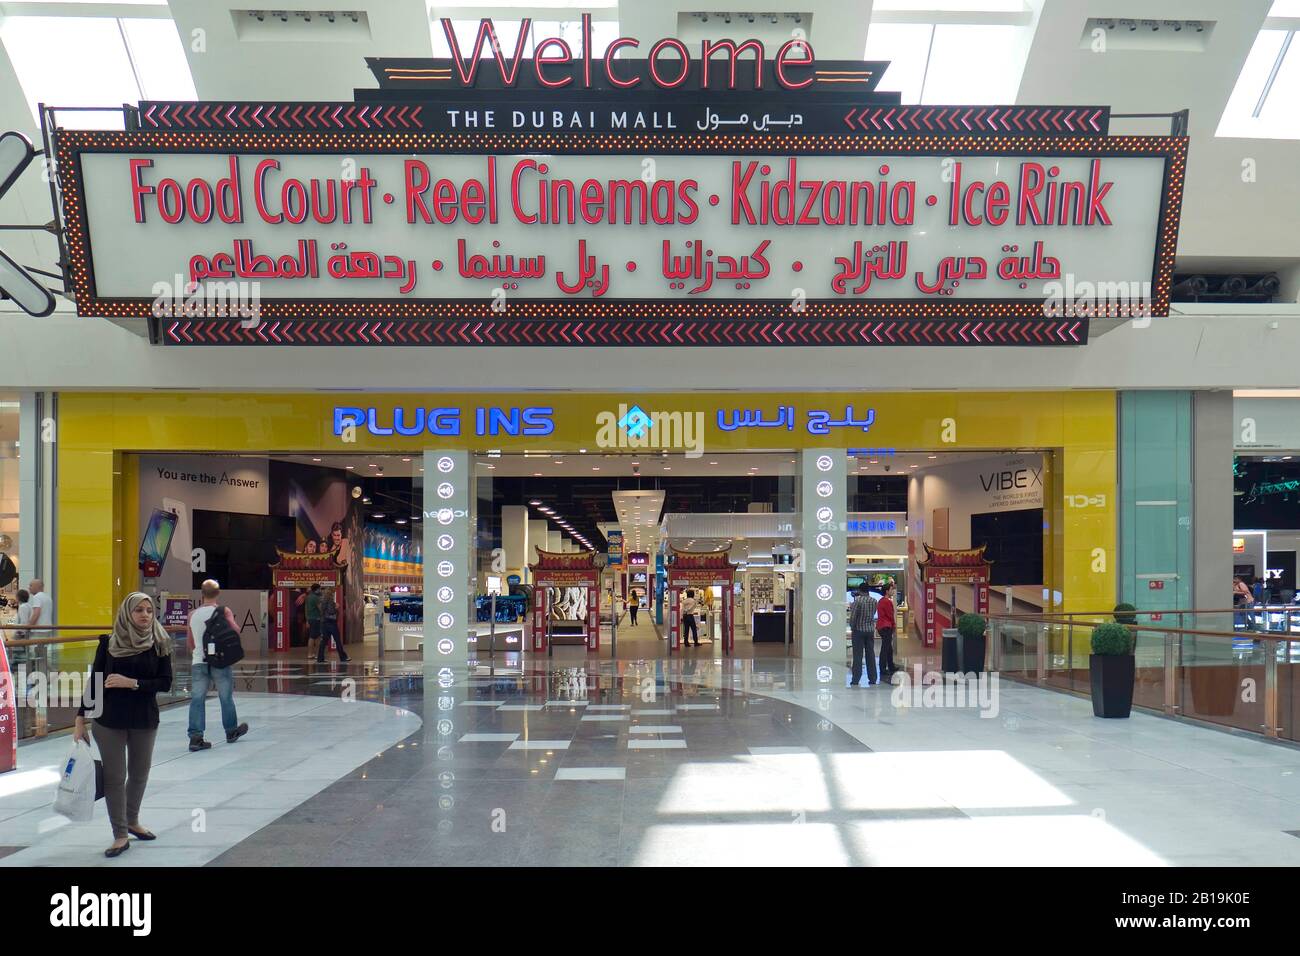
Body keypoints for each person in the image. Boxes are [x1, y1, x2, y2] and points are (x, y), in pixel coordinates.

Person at [74, 592, 173, 858]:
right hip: (109, 719)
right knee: (114, 778)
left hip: (144, 717)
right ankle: (119, 834)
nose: (144, 615)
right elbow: (95, 681)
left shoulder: (159, 643)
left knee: (140, 773)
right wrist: (80, 719)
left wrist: (133, 683)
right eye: (138, 610)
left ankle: (132, 820)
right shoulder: (108, 643)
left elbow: (166, 682)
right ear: (127, 613)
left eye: (149, 610)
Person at [186, 579, 249, 751]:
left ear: (202, 594)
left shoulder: (192, 615)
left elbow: (190, 642)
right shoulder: (223, 611)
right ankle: (231, 731)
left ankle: (196, 738)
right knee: (225, 697)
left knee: (197, 699)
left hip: (199, 661)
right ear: (218, 593)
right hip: (220, 661)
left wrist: (198, 652)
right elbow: (236, 630)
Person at [848, 583, 878, 687]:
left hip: (858, 631)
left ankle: (856, 679)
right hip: (870, 630)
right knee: (870, 654)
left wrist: (852, 627)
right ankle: (873, 678)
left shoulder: (858, 601)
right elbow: (873, 613)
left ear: (860, 591)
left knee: (858, 656)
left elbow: (853, 617)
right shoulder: (874, 601)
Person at [316, 588, 350, 663]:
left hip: (324, 622)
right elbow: (331, 611)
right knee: (337, 640)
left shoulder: (321, 601)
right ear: (330, 594)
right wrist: (336, 607)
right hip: (331, 622)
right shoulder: (330, 601)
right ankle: (343, 657)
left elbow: (321, 611)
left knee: (323, 641)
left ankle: (320, 658)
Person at [876, 581, 898, 680]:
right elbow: (890, 615)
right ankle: (883, 668)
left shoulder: (881, 601)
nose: (892, 590)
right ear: (886, 591)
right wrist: (894, 625)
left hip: (881, 626)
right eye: (891, 589)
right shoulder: (887, 601)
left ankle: (891, 666)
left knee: (888, 647)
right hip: (886, 627)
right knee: (885, 648)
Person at [301, 583, 323, 658]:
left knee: (316, 637)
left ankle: (316, 654)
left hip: (310, 619)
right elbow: (320, 608)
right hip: (316, 619)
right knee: (313, 637)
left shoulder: (308, 597)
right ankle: (310, 654)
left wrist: (307, 620)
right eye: (320, 589)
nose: (320, 590)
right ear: (317, 589)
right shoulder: (316, 598)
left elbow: (306, 609)